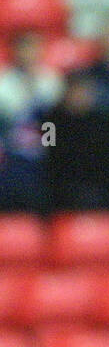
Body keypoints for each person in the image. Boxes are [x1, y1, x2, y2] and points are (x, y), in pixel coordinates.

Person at [43, 72, 109, 212]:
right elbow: (49, 153)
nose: (80, 96)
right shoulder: (51, 122)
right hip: (61, 186)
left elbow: (107, 159)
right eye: (76, 91)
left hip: (97, 186)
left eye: (85, 92)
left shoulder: (102, 123)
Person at [0, 32, 63, 212]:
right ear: (15, 51)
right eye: (24, 49)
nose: (28, 54)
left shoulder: (52, 80)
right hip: (12, 158)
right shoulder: (4, 81)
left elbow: (55, 122)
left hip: (46, 155)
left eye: (33, 49)